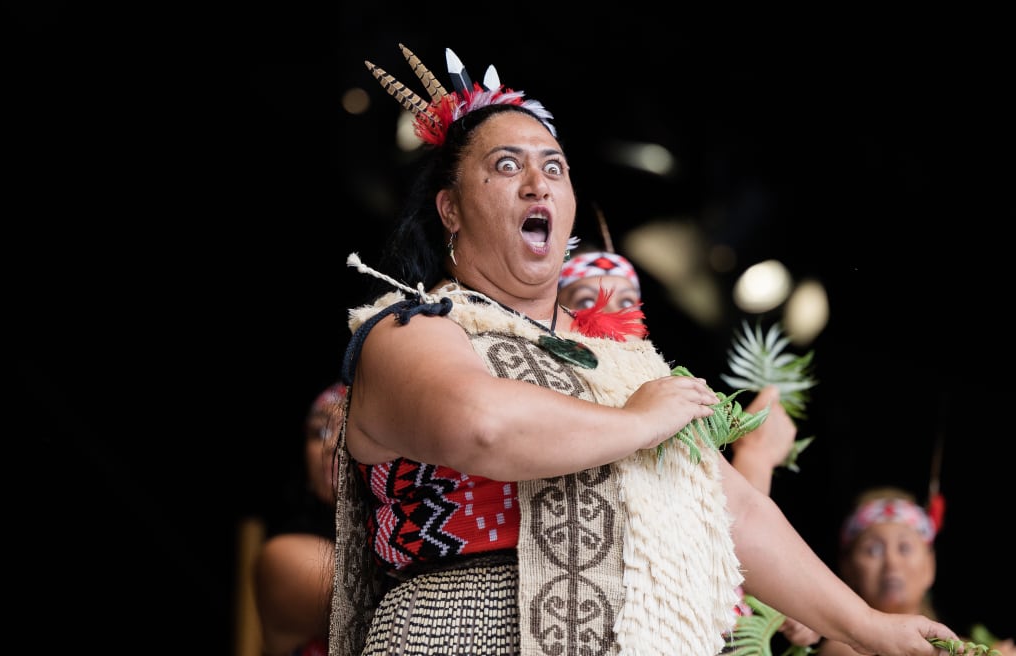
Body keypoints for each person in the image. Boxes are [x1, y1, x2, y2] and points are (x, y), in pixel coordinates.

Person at [328, 42, 959, 656]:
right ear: (450, 209)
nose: (536, 184)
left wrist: (867, 625)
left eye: (554, 167)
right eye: (506, 165)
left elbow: (734, 510)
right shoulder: (410, 331)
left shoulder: (628, 363)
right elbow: (482, 427)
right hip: (460, 632)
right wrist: (638, 422)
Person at [558, 242, 821, 648]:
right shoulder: (556, 391)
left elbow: (718, 522)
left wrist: (779, 603)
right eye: (587, 299)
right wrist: (756, 454)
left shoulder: (664, 389)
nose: (611, 310)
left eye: (627, 299)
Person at [816, 487, 1016, 656]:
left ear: (930, 565)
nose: (892, 562)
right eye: (873, 550)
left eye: (905, 548)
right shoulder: (845, 647)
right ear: (848, 568)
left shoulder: (964, 648)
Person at [254, 382, 346, 656]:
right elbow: (372, 597)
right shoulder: (286, 559)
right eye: (320, 431)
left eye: (353, 425)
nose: (331, 444)